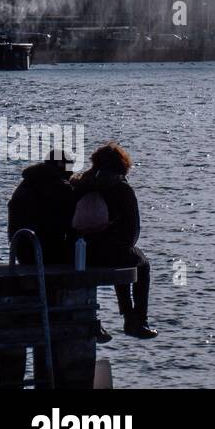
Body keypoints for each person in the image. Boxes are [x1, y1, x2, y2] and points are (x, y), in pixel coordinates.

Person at [73, 143, 158, 339]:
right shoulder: (121, 189)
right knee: (140, 263)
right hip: (111, 252)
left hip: (81, 251)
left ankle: (121, 317)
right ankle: (136, 319)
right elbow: (132, 231)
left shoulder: (80, 184)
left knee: (124, 256)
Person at [7, 150, 76, 266]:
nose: (72, 172)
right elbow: (70, 222)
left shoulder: (26, 183)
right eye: (70, 168)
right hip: (44, 252)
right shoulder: (59, 188)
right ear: (61, 166)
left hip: (21, 251)